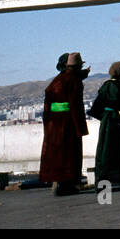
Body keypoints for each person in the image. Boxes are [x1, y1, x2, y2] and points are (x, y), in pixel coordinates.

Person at [40, 52, 90, 195]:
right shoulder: (74, 81)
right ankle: (67, 185)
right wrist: (80, 127)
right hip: (68, 122)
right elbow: (75, 104)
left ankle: (60, 183)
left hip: (53, 123)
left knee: (57, 154)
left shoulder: (58, 79)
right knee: (70, 154)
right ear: (78, 66)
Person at [89, 61, 120, 191]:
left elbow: (97, 105)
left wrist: (104, 117)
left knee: (105, 150)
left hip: (107, 121)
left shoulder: (105, 86)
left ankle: (102, 183)